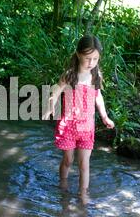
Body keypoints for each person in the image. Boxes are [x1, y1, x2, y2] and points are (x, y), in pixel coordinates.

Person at [42, 34, 115, 203]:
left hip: (86, 128)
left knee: (84, 164)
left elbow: (98, 97)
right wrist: (50, 106)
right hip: (68, 126)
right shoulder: (70, 75)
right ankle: (63, 186)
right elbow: (55, 91)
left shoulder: (95, 76)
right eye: (88, 58)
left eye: (95, 59)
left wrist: (105, 116)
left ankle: (83, 196)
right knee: (68, 159)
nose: (91, 63)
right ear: (78, 54)